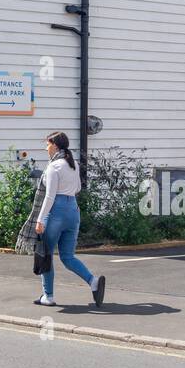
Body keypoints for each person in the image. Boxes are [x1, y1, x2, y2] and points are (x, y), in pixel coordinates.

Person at [34, 131, 106, 307]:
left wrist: (40, 220)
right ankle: (93, 281)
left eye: (48, 144)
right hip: (73, 210)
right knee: (67, 256)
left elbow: (49, 196)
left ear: (55, 146)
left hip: (56, 210)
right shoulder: (73, 164)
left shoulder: (54, 167)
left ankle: (48, 296)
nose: (46, 147)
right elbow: (78, 189)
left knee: (46, 254)